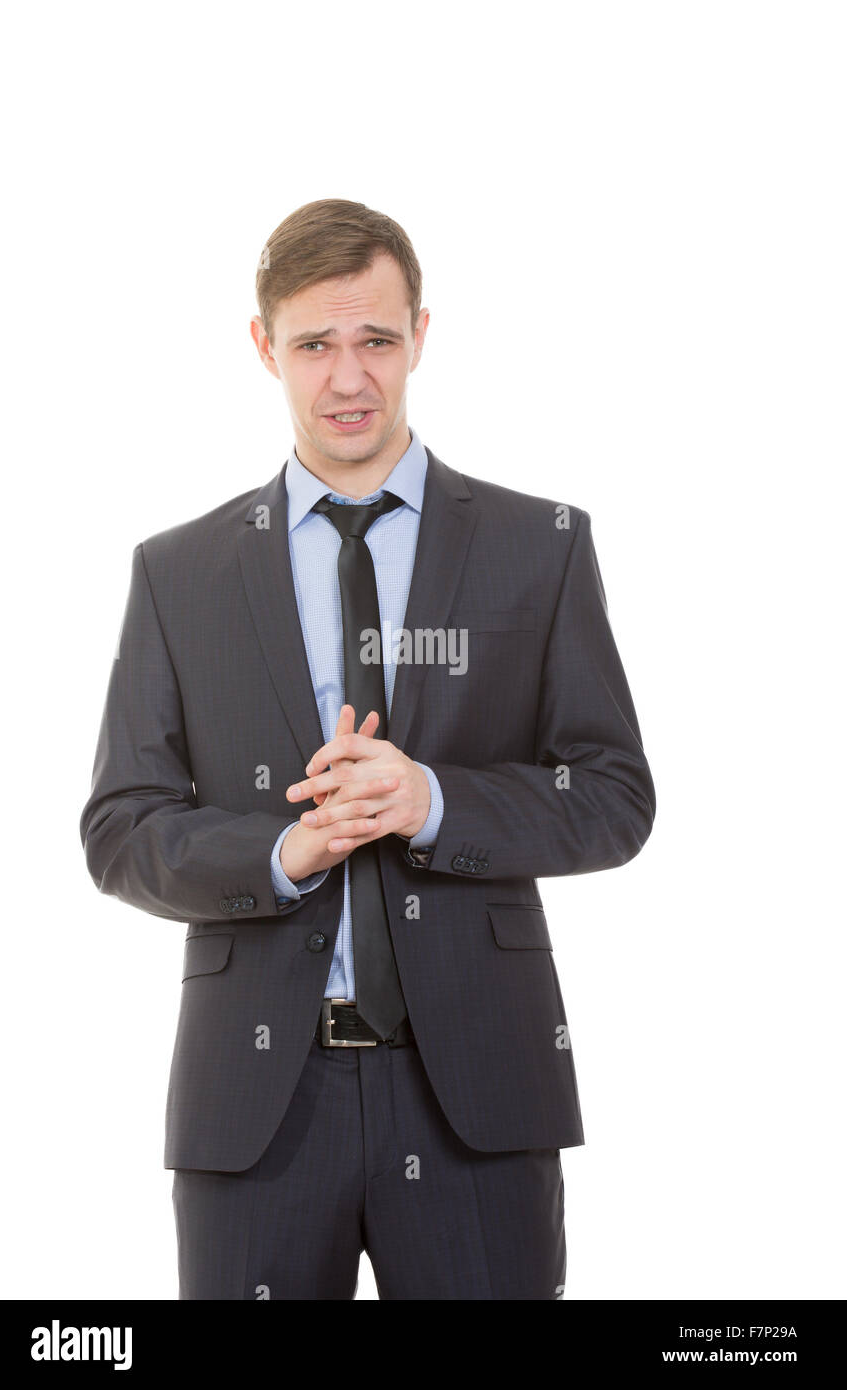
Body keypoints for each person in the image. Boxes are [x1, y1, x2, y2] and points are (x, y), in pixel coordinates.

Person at [80, 197, 656, 1300]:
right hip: (255, 1108)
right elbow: (119, 829)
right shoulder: (179, 572)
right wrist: (279, 853)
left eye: (376, 341)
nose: (347, 379)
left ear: (421, 337)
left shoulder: (537, 549)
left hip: (474, 1102)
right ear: (264, 348)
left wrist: (434, 801)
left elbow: (615, 796)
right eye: (313, 345)